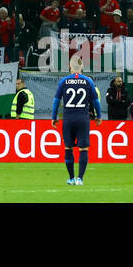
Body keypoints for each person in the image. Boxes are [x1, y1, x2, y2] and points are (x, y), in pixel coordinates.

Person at [51, 55, 101, 185]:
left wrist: (54, 117)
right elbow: (96, 101)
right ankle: (80, 179)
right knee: (83, 149)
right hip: (83, 118)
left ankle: (71, 178)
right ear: (82, 67)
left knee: (68, 148)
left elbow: (56, 101)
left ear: (69, 67)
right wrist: (98, 116)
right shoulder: (88, 81)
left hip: (68, 118)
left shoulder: (64, 81)